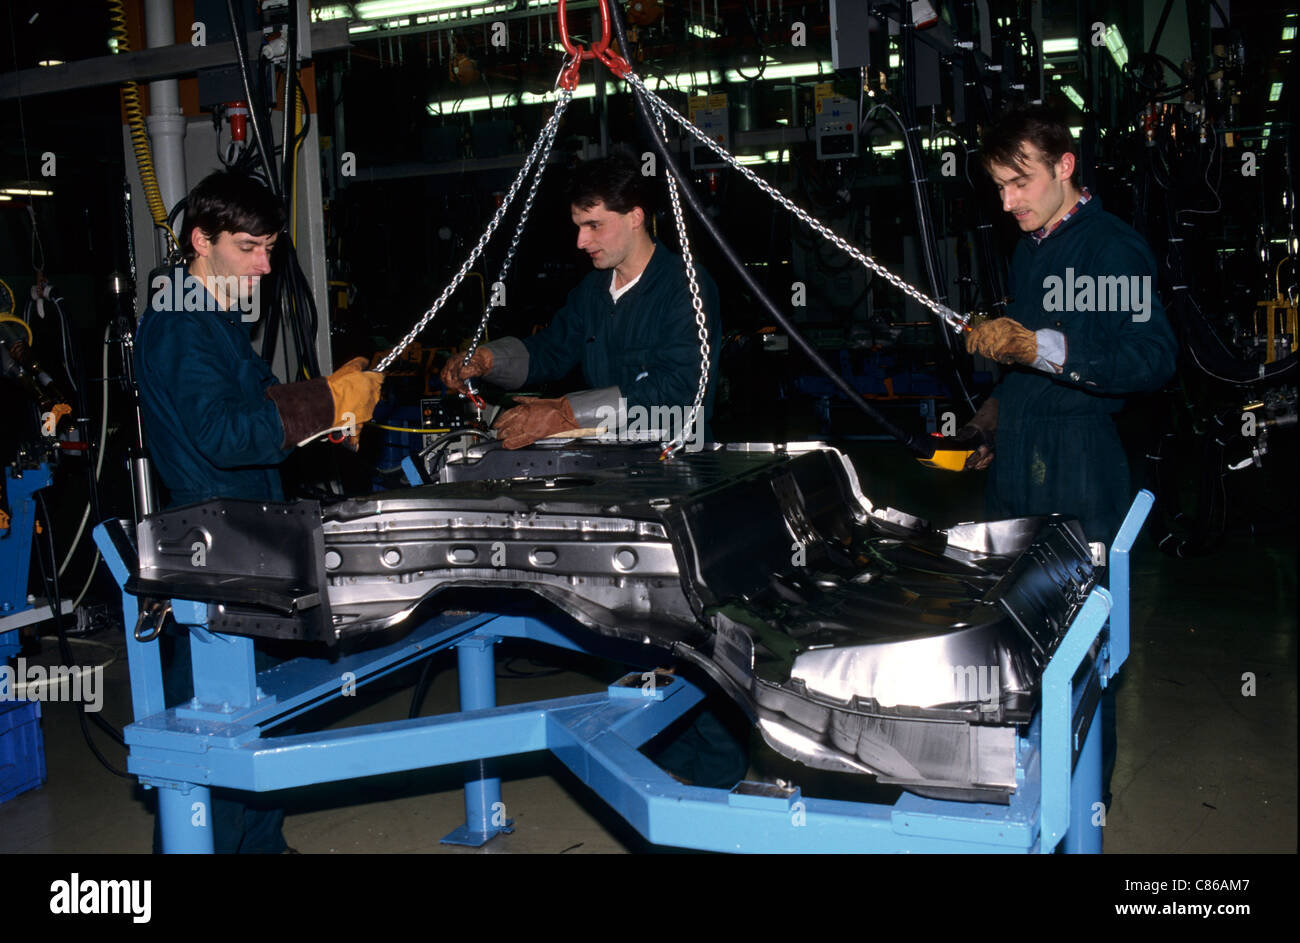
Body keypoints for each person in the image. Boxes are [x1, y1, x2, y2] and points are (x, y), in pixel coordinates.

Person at [134, 170, 384, 852]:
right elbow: (223, 433)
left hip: (246, 538)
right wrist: (325, 403)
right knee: (214, 734)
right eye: (249, 247)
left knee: (259, 716)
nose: (265, 265)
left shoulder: (211, 315)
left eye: (271, 248)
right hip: (213, 550)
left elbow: (260, 404)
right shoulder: (181, 326)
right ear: (200, 240)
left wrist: (329, 398)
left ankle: (261, 847)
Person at [961, 106, 1178, 809]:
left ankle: (1084, 806)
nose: (1008, 202)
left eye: (1019, 182)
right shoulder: (1031, 248)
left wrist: (1043, 347)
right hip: (1020, 465)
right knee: (1012, 643)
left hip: (1082, 467)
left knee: (1079, 653)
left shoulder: (1113, 249)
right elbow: (1028, 356)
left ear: (1065, 166)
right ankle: (1026, 792)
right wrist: (1000, 409)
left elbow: (1152, 357)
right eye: (998, 188)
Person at [441, 151, 722, 449]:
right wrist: (489, 360)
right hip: (613, 463)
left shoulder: (686, 286)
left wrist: (567, 414)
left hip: (678, 460)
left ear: (635, 218)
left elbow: (676, 390)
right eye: (578, 226)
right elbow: (552, 349)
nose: (581, 241)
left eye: (594, 225)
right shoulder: (593, 290)